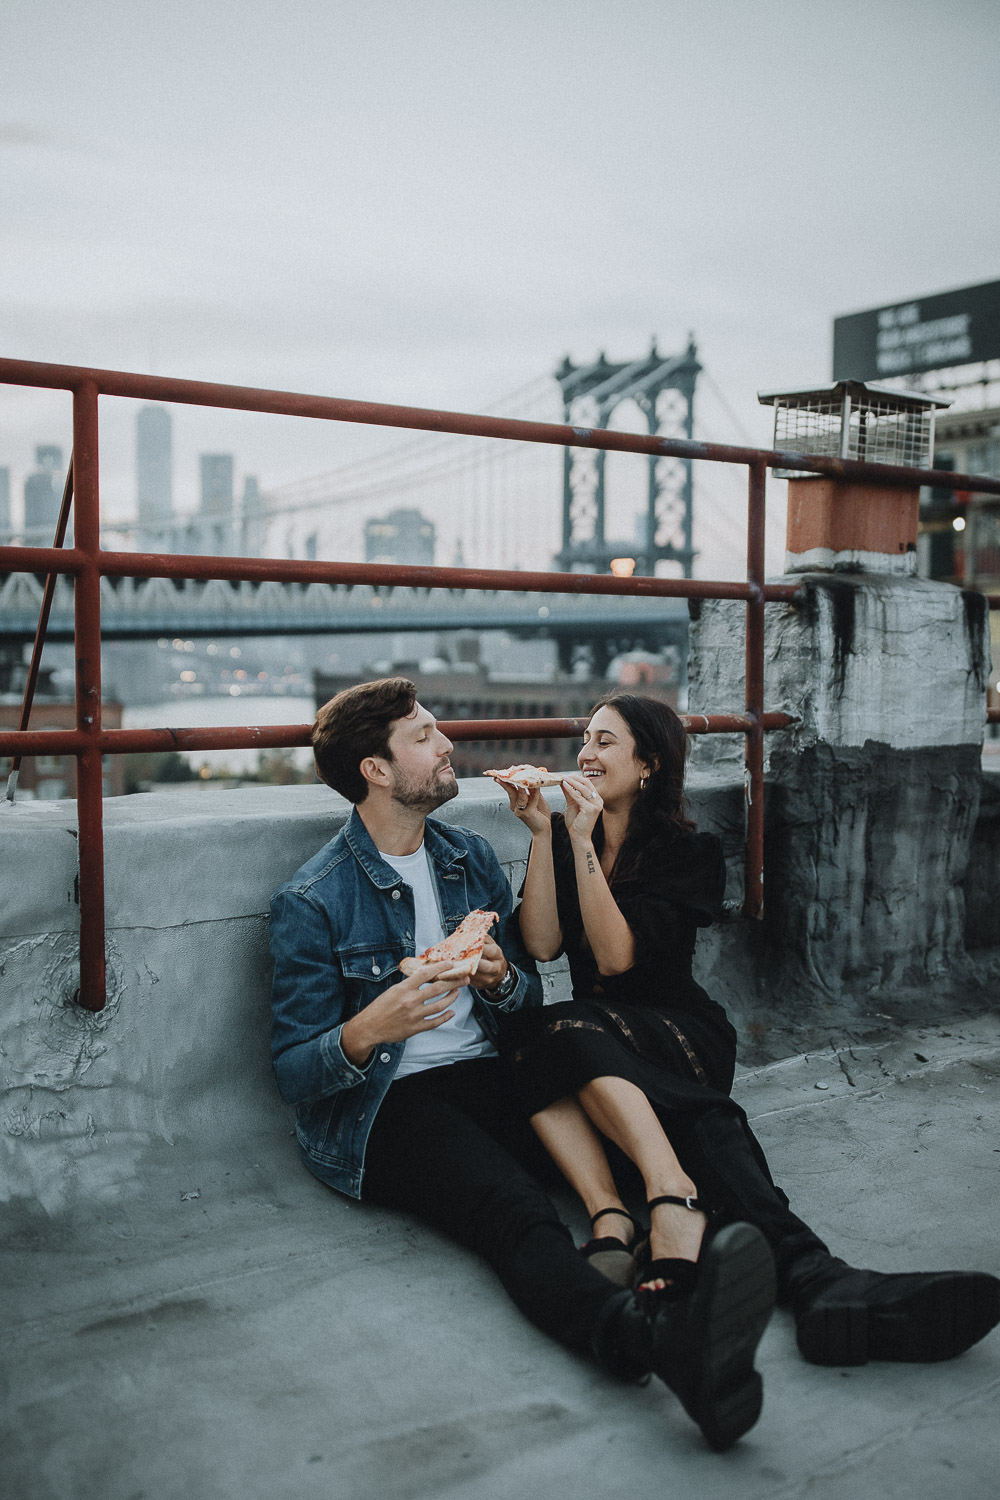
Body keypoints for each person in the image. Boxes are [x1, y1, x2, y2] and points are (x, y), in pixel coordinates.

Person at [268, 677, 778, 1453]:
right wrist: (369, 1028)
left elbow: (529, 987)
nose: (449, 746)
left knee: (645, 1127)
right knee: (515, 1211)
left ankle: (761, 1259)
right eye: (426, 736)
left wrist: (501, 980)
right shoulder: (313, 899)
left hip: (491, 1066)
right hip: (390, 1103)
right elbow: (295, 1074)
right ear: (375, 770)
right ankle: (646, 1337)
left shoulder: (467, 858)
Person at [493, 691, 1000, 1372]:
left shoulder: (687, 850)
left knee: (560, 1029)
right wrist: (540, 836)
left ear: (649, 763)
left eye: (606, 741)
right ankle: (819, 1282)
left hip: (681, 1035)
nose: (585, 753)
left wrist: (581, 843)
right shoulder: (563, 837)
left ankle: (670, 1212)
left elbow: (616, 958)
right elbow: (545, 943)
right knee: (644, 1093)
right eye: (585, 738)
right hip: (601, 1052)